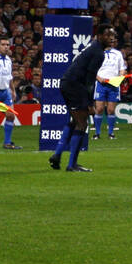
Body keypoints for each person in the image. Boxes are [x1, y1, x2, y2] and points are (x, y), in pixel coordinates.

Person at [50, 24, 117, 173]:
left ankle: (57, 155)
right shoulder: (98, 53)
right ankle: (72, 164)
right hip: (75, 86)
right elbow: (89, 80)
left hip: (68, 83)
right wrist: (89, 103)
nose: (111, 38)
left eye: (112, 35)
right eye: (107, 35)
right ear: (99, 36)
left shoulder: (92, 46)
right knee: (82, 124)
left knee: (75, 120)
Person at [93, 36, 128, 140]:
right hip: (100, 83)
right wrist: (99, 79)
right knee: (99, 109)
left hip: (113, 84)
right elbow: (92, 69)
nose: (111, 42)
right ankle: (97, 133)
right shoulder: (97, 52)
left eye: (113, 41)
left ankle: (111, 133)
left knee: (111, 110)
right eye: (109, 40)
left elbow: (122, 69)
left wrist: (120, 77)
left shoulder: (118, 54)